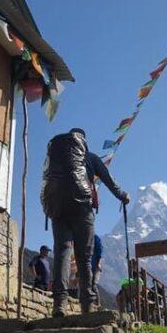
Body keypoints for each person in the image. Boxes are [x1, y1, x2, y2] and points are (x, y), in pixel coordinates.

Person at [41, 128, 130, 316]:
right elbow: (108, 179)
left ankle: (59, 303)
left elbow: (46, 180)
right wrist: (122, 196)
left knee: (62, 253)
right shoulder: (90, 158)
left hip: (58, 209)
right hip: (82, 210)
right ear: (84, 142)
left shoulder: (55, 158)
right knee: (84, 257)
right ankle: (87, 305)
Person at [91, 234, 103, 305]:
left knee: (93, 285)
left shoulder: (95, 238)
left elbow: (100, 252)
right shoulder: (83, 238)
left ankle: (98, 304)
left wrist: (98, 264)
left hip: (95, 266)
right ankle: (91, 302)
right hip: (88, 267)